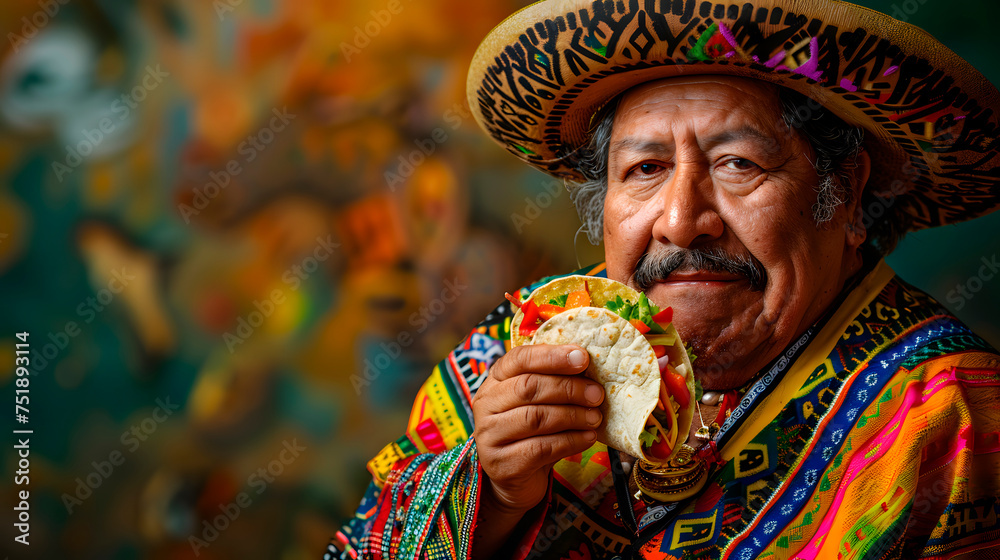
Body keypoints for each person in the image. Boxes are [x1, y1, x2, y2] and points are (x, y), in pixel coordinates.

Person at [326, 0, 1000, 558]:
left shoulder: (952, 417)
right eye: (645, 170)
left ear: (846, 194)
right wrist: (493, 496)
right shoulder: (528, 337)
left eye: (738, 163)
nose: (681, 221)